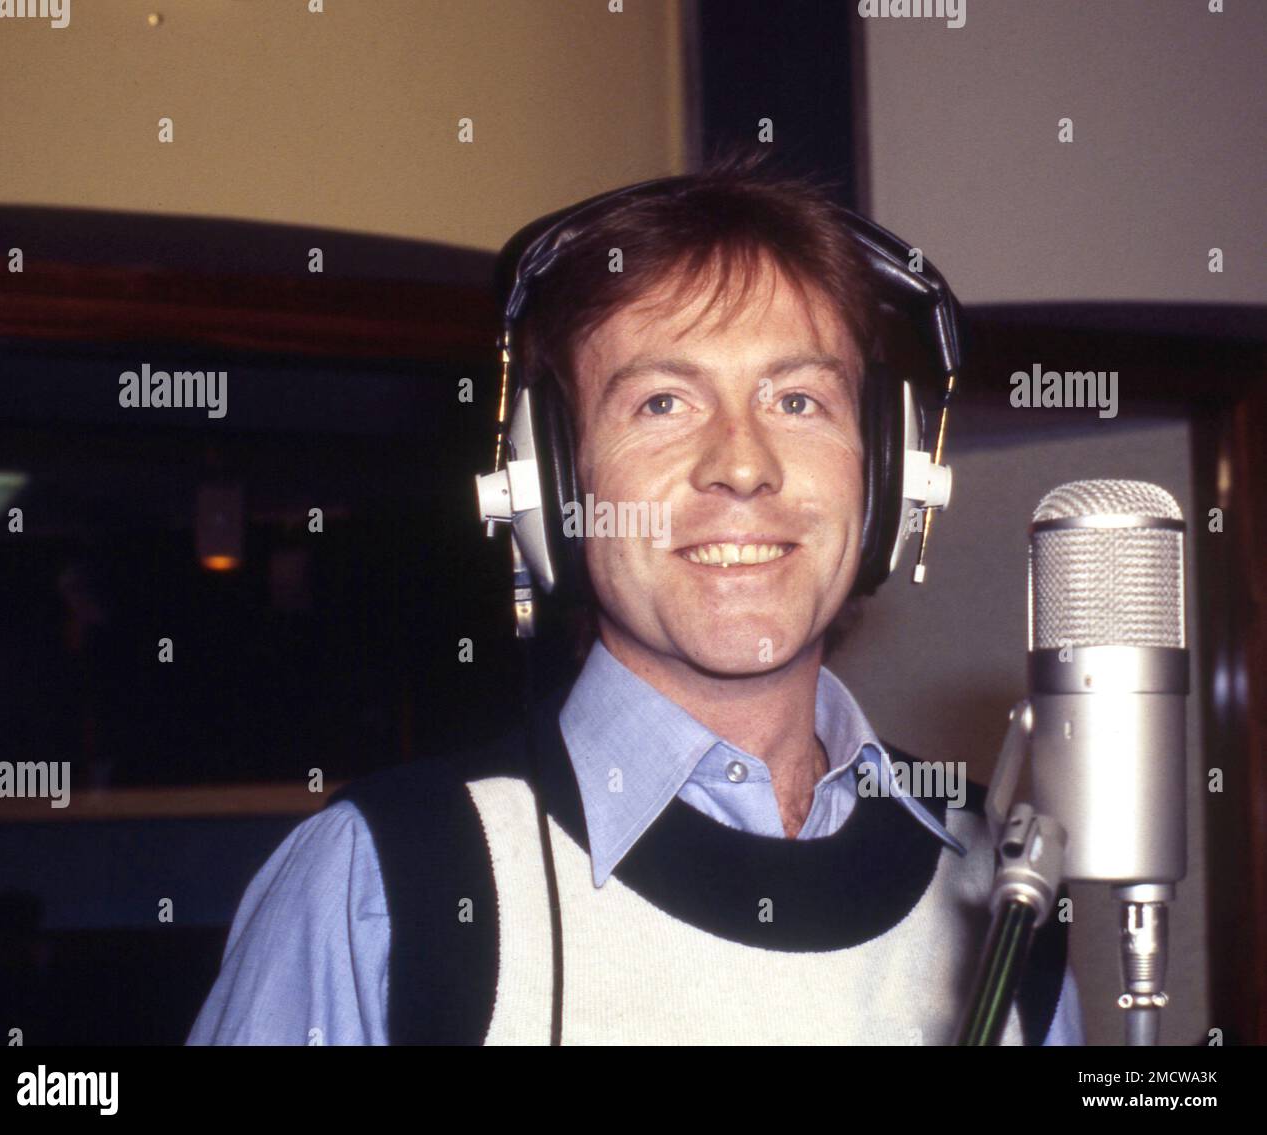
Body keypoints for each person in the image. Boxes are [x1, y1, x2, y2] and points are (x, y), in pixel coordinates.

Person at [188, 151, 1084, 1046]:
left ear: (889, 476)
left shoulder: (1003, 882)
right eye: (662, 403)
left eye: (799, 399)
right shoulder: (382, 884)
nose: (742, 463)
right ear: (552, 486)